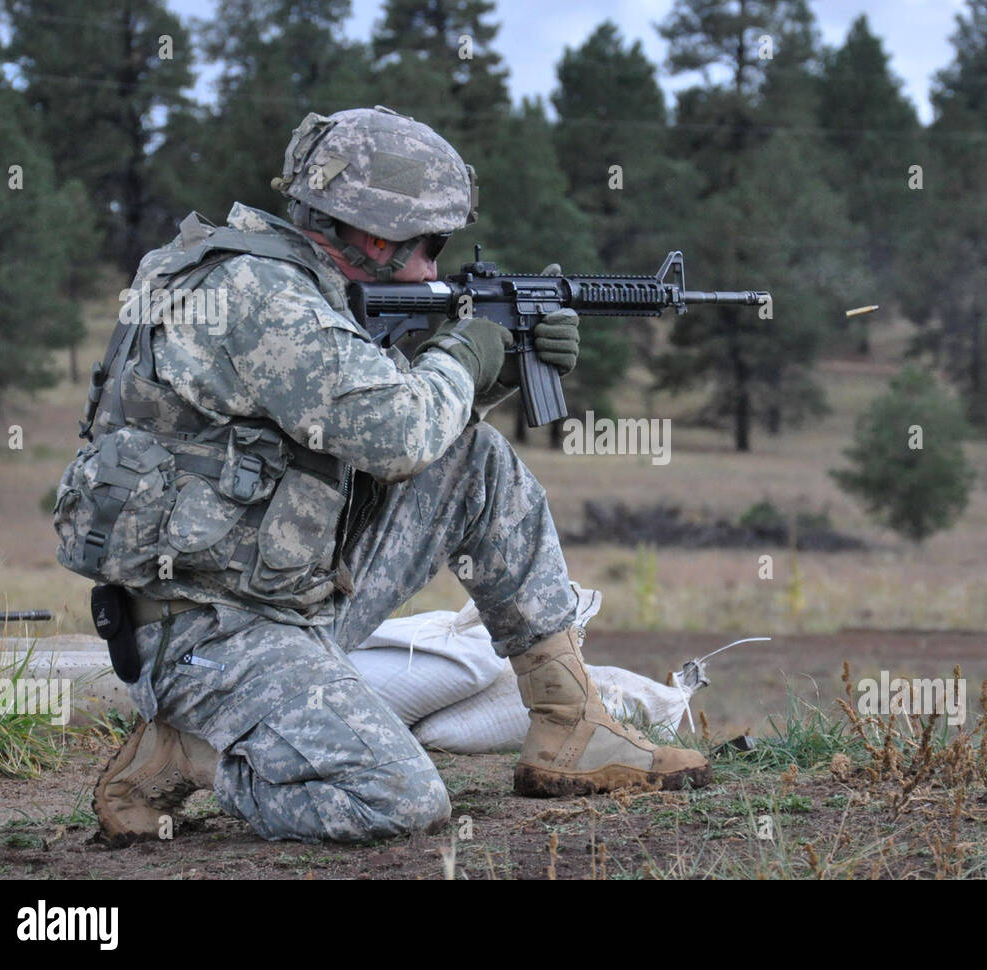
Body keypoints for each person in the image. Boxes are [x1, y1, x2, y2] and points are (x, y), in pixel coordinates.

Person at [54, 105, 710, 845]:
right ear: (371, 236)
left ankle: (570, 722)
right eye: (428, 245)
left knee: (476, 463)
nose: (434, 269)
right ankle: (192, 752)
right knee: (396, 803)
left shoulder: (282, 282)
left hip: (278, 594)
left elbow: (386, 432)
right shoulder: (260, 297)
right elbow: (398, 434)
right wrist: (465, 355)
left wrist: (495, 368)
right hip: (206, 632)